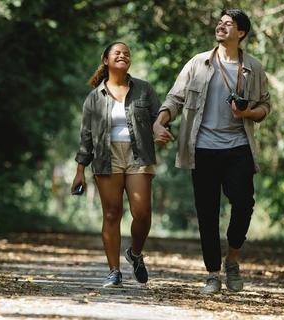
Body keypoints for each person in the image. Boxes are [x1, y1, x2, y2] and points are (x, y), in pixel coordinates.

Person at [153, 9, 271, 294]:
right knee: (207, 212)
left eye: (228, 24)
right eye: (220, 22)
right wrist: (159, 122)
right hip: (203, 148)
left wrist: (248, 111)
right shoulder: (198, 63)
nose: (221, 26)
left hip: (238, 146)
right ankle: (212, 274)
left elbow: (266, 106)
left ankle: (232, 258)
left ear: (241, 33)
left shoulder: (253, 67)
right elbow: (175, 98)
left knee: (244, 203)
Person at [71, 42, 161, 288]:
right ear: (106, 60)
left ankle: (135, 253)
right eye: (117, 53)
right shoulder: (94, 98)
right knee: (112, 213)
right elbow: (86, 136)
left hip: (138, 154)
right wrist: (80, 169)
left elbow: (159, 120)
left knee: (142, 213)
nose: (123, 55)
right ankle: (114, 271)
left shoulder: (144, 90)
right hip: (105, 156)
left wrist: (161, 130)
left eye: (127, 53)